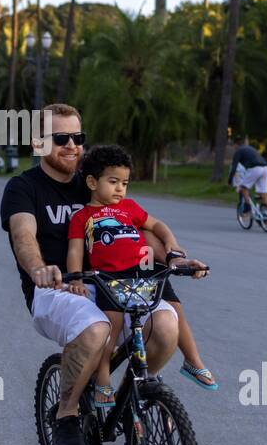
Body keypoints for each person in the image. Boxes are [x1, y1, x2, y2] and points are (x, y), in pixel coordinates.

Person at [0, 103, 210, 445]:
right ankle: (66, 414)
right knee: (95, 328)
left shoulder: (98, 182)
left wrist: (174, 255)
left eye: (78, 138)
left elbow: (142, 229)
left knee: (167, 325)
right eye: (61, 137)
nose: (72, 146)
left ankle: (133, 396)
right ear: (38, 143)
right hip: (57, 288)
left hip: (116, 284)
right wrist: (38, 268)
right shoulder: (23, 188)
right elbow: (23, 235)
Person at [66, 144, 217, 414]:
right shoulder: (82, 217)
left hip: (144, 271)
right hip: (109, 277)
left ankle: (192, 360)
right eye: (113, 182)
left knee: (175, 311)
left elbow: (156, 225)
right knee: (109, 329)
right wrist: (76, 277)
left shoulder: (129, 207)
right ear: (92, 182)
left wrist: (172, 247)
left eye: (124, 183)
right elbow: (76, 249)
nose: (120, 189)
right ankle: (102, 378)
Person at [228, 135, 267, 225]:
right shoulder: (250, 148)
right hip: (265, 168)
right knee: (263, 192)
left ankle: (248, 208)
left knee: (244, 188)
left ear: (236, 145)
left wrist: (229, 180)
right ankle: (266, 214)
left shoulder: (238, 152)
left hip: (255, 168)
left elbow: (234, 167)